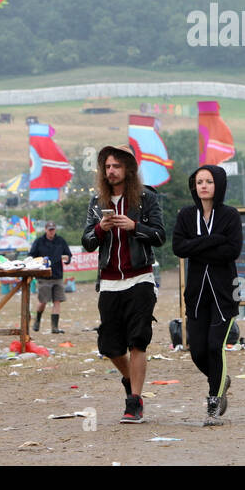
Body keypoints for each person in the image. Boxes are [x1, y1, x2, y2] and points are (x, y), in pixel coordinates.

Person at [82, 144, 165, 424]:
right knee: (109, 345)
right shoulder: (96, 203)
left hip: (140, 278)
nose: (111, 171)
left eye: (116, 166)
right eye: (107, 166)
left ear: (128, 169)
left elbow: (160, 236)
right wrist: (100, 229)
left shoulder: (145, 199)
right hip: (109, 282)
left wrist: (134, 227)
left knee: (138, 340)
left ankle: (134, 402)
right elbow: (87, 242)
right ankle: (131, 380)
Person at [171, 164, 243, 426]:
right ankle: (221, 379)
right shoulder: (186, 216)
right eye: (199, 182)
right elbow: (179, 247)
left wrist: (198, 247)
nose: (203, 186)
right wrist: (214, 240)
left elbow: (232, 250)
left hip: (224, 293)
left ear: (219, 185)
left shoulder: (230, 216)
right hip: (196, 293)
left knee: (215, 346)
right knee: (198, 351)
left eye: (209, 181)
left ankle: (213, 403)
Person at [28, 222, 71, 334]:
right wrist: (37, 263)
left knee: (57, 301)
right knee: (43, 301)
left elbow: (68, 254)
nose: (52, 231)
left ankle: (54, 327)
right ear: (46, 229)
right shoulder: (39, 241)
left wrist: (67, 258)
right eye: (50, 229)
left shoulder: (60, 241)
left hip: (57, 275)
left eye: (53, 229)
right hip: (43, 276)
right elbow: (31, 256)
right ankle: (37, 320)